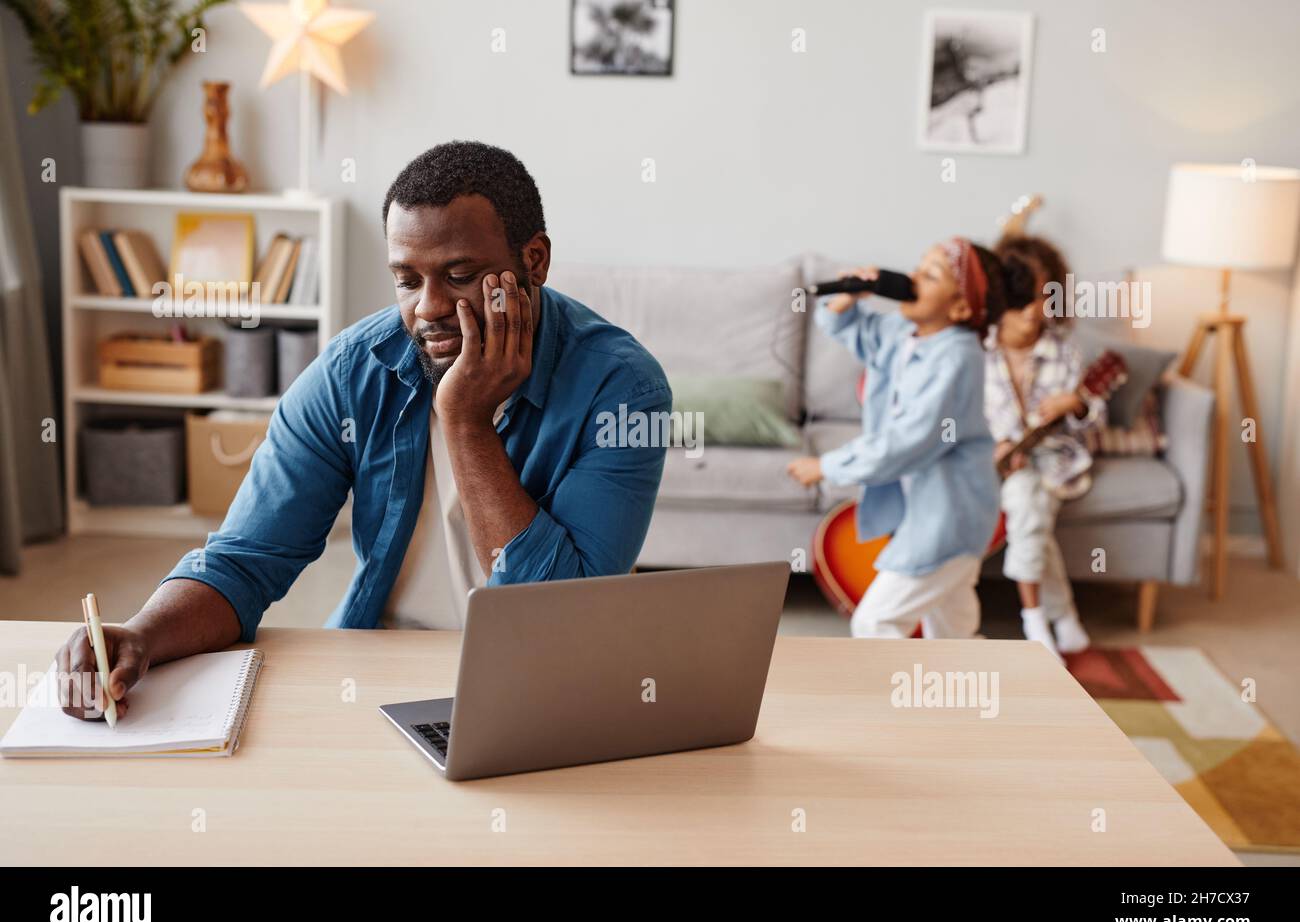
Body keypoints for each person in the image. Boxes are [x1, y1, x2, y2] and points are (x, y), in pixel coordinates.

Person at [57, 141, 671, 721]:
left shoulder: (623, 391)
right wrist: (141, 633)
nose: (427, 307)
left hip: (541, 689)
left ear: (531, 262)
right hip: (377, 670)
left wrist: (465, 422)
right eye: (407, 279)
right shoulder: (353, 372)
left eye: (458, 276)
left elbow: (559, 622)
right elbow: (245, 563)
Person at [787, 238, 1004, 640]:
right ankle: (972, 694)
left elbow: (909, 441)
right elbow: (851, 328)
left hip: (949, 514)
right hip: (934, 512)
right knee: (953, 631)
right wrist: (850, 295)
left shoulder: (957, 357)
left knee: (876, 622)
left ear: (960, 307)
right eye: (919, 266)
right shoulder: (905, 331)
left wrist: (827, 466)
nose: (914, 276)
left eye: (932, 274)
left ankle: (890, 699)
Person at [985, 235, 1103, 658]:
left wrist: (1076, 404)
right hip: (993, 462)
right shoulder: (976, 350)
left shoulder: (1063, 352)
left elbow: (1094, 418)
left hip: (1053, 458)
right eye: (1025, 300)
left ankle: (1033, 619)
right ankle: (1065, 618)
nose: (1036, 311)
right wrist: (995, 442)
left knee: (1026, 504)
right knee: (1031, 514)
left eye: (1045, 297)